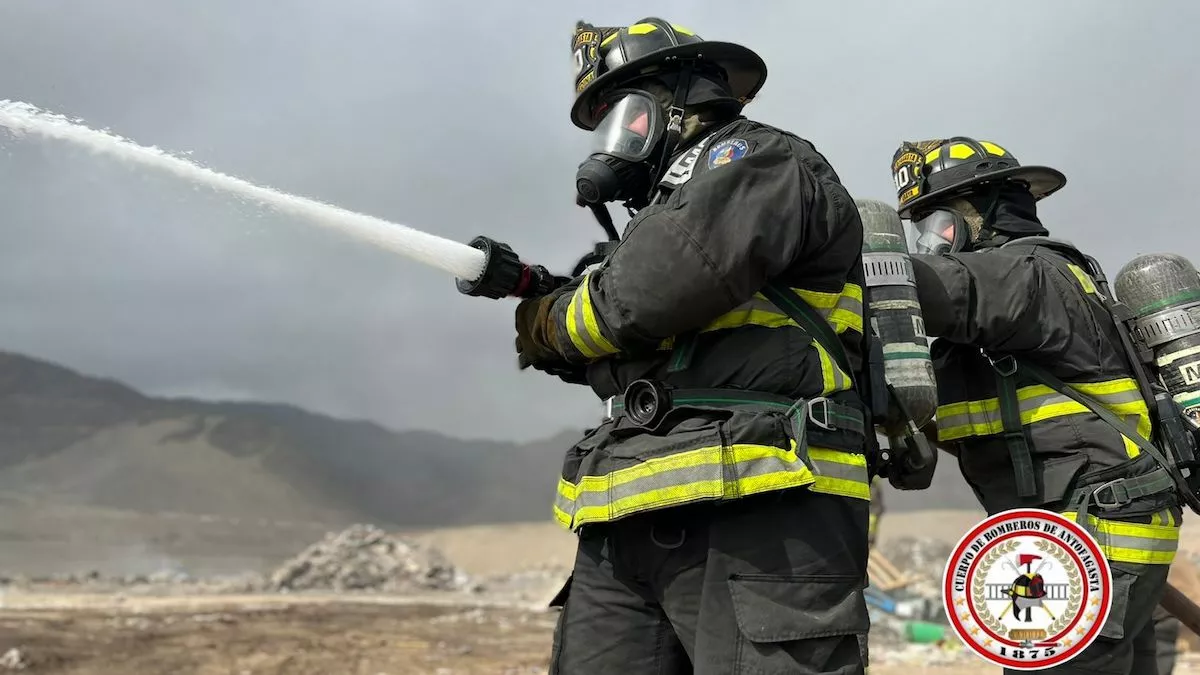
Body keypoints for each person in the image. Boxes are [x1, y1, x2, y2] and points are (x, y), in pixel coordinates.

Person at [514, 17, 874, 674]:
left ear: (678, 101)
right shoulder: (662, 215)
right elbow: (620, 330)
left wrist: (548, 321)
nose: (613, 140)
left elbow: (646, 294)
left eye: (622, 114)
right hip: (629, 512)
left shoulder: (757, 160)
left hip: (764, 507)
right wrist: (538, 294)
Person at [892, 137, 1183, 674]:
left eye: (935, 222)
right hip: (1108, 530)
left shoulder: (1020, 274)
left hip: (1085, 537)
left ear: (979, 211)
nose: (930, 240)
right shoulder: (1032, 292)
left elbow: (924, 288)